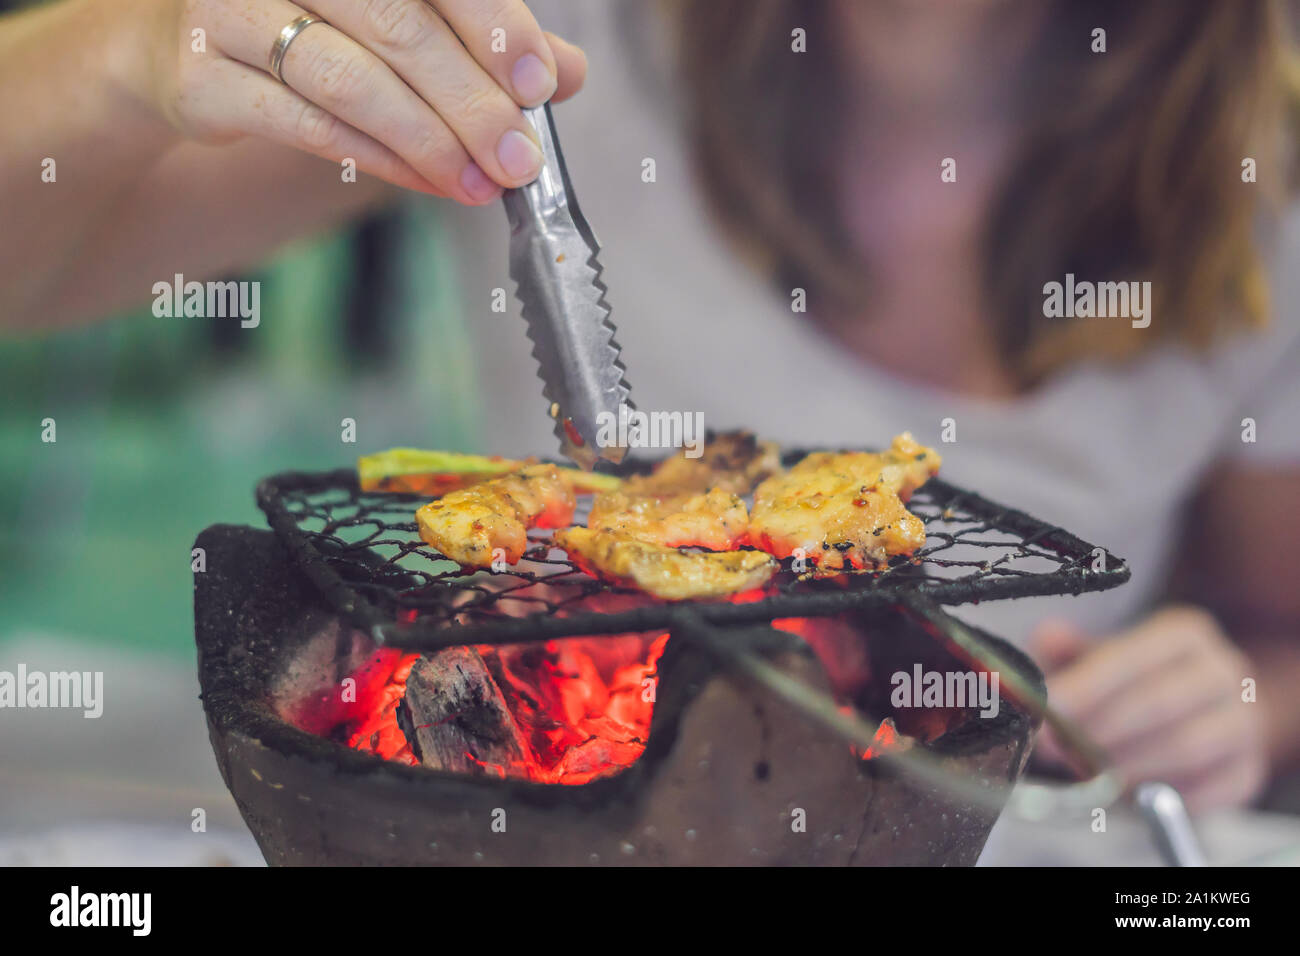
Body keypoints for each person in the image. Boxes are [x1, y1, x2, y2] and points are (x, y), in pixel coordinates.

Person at [2, 0, 1297, 817]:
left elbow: (1273, 627)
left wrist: (1235, 698)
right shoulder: (560, 40)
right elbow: (37, 266)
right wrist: (129, 48)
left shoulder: (1267, 176)